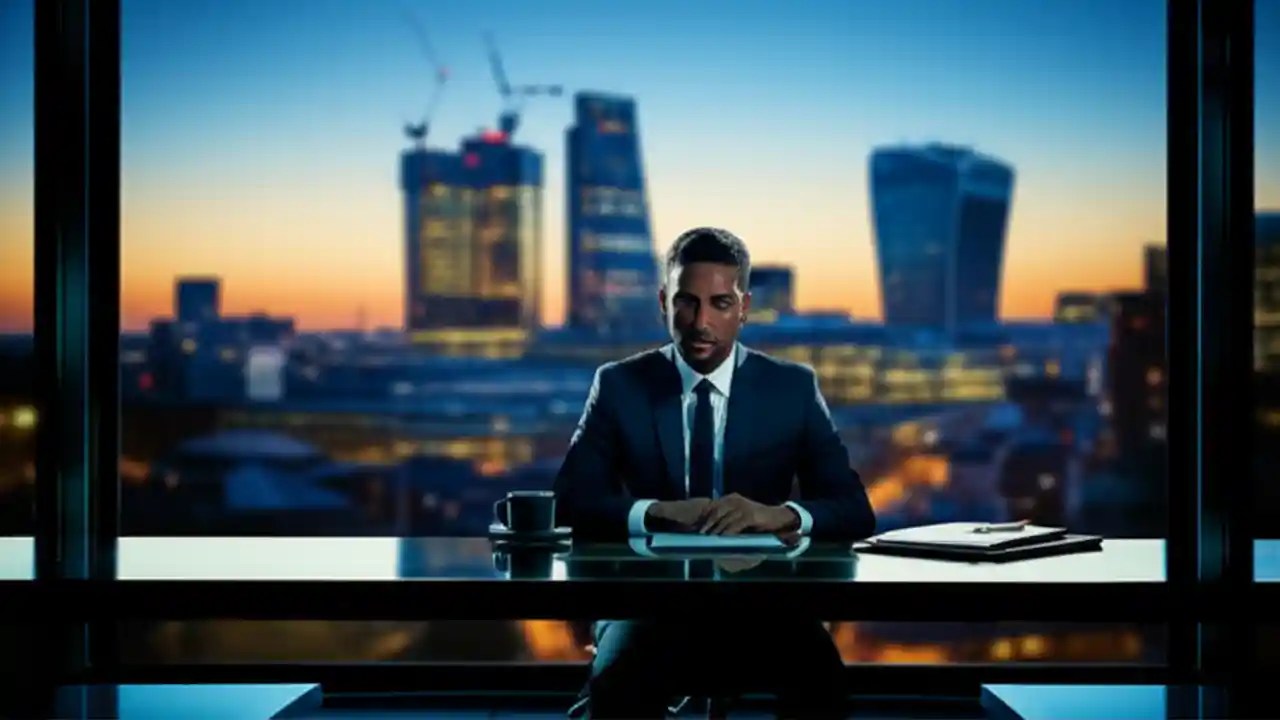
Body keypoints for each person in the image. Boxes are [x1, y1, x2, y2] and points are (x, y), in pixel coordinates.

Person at [553, 226, 877, 718]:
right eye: (686, 303)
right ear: (664, 302)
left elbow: (855, 511)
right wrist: (658, 512)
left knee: (821, 683)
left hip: (767, 604)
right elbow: (571, 501)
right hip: (647, 602)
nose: (701, 321)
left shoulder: (791, 387)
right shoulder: (619, 385)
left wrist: (779, 515)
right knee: (617, 686)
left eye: (720, 304)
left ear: (744, 308)